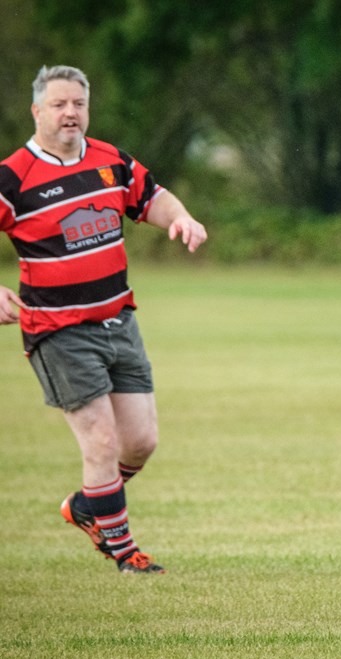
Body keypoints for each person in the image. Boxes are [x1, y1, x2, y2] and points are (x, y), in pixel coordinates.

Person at [0, 65, 207, 574]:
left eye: (78, 104)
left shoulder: (109, 159)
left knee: (140, 441)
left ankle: (89, 507)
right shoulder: (14, 176)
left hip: (119, 319)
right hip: (57, 330)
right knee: (101, 440)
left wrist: (179, 217)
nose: (70, 112)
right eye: (59, 104)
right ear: (37, 112)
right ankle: (124, 552)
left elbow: (151, 197)